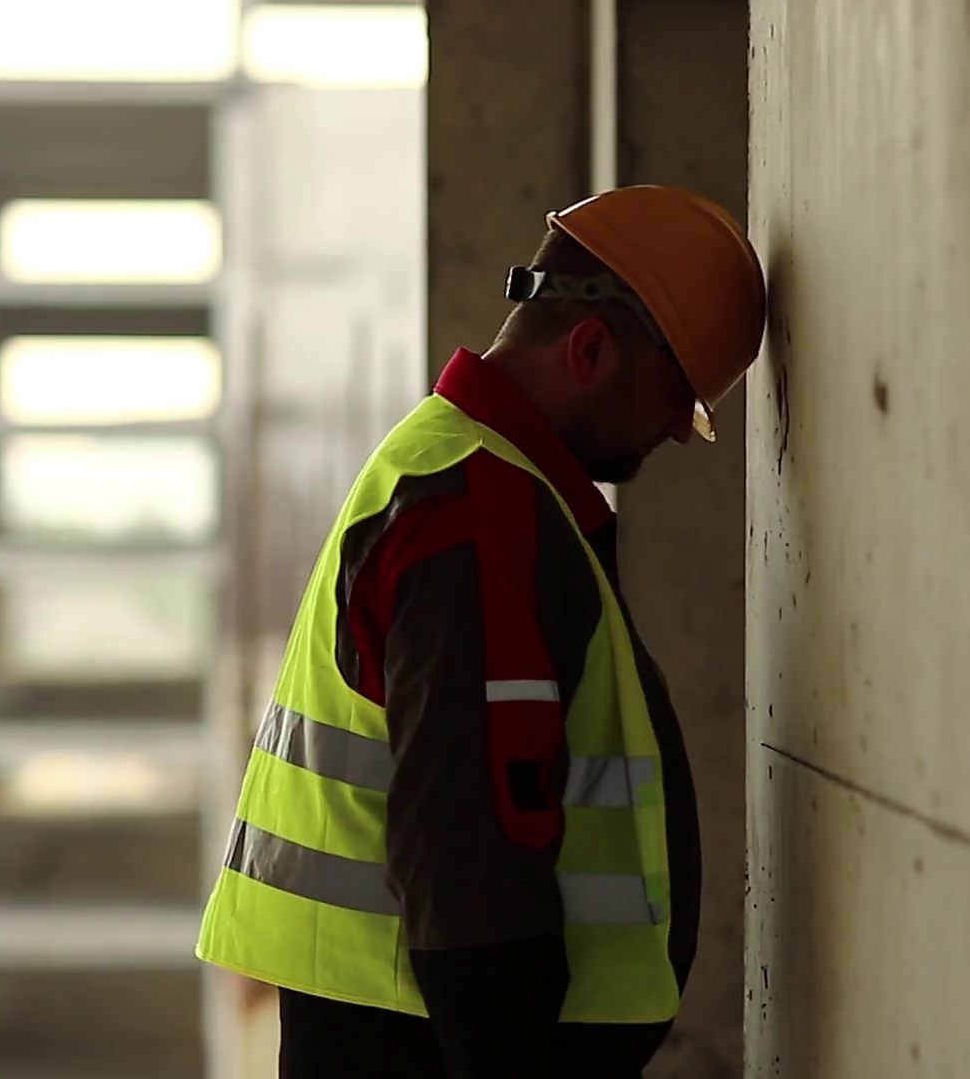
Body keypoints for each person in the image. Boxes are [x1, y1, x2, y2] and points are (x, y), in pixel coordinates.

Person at [196, 185, 767, 1078]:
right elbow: (469, 861)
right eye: (675, 394)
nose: (677, 429)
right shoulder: (477, 509)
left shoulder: (460, 476)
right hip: (425, 1049)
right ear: (591, 349)